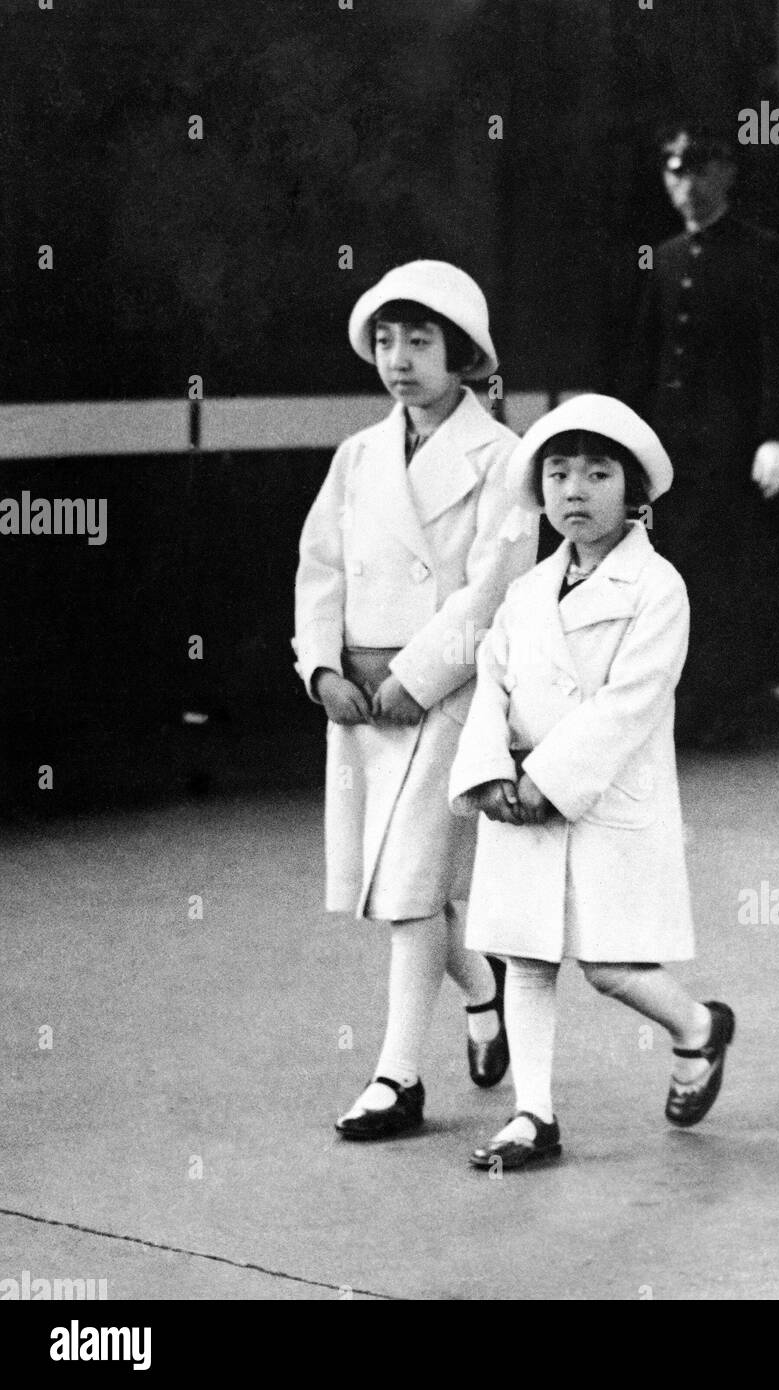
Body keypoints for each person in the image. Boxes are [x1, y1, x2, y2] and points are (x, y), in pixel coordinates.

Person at [448, 395, 735, 1170]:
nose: (575, 490)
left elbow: (630, 703)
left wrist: (547, 779)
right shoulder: (524, 593)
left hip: (603, 801)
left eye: (598, 473)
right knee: (526, 954)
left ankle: (698, 1028)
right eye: (559, 473)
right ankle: (532, 1115)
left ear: (635, 492)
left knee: (609, 964)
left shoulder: (658, 588)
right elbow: (492, 686)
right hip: (519, 806)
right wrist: (487, 775)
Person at [294, 260, 537, 1139]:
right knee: (407, 886)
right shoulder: (358, 455)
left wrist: (416, 678)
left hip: (444, 696)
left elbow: (493, 588)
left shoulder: (505, 458)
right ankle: (483, 989)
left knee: (407, 889)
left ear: (463, 353)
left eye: (421, 340)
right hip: (361, 702)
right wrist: (322, 668)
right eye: (386, 341)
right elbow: (319, 568)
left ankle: (397, 1078)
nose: (400, 359)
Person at [622, 118, 779, 744]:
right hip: (672, 450)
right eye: (676, 172)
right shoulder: (664, 257)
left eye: (701, 169)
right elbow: (646, 360)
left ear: (727, 173)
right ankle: (681, 706)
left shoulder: (763, 252)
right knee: (671, 573)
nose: (688, 184)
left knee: (729, 581)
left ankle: (730, 707)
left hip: (735, 450)